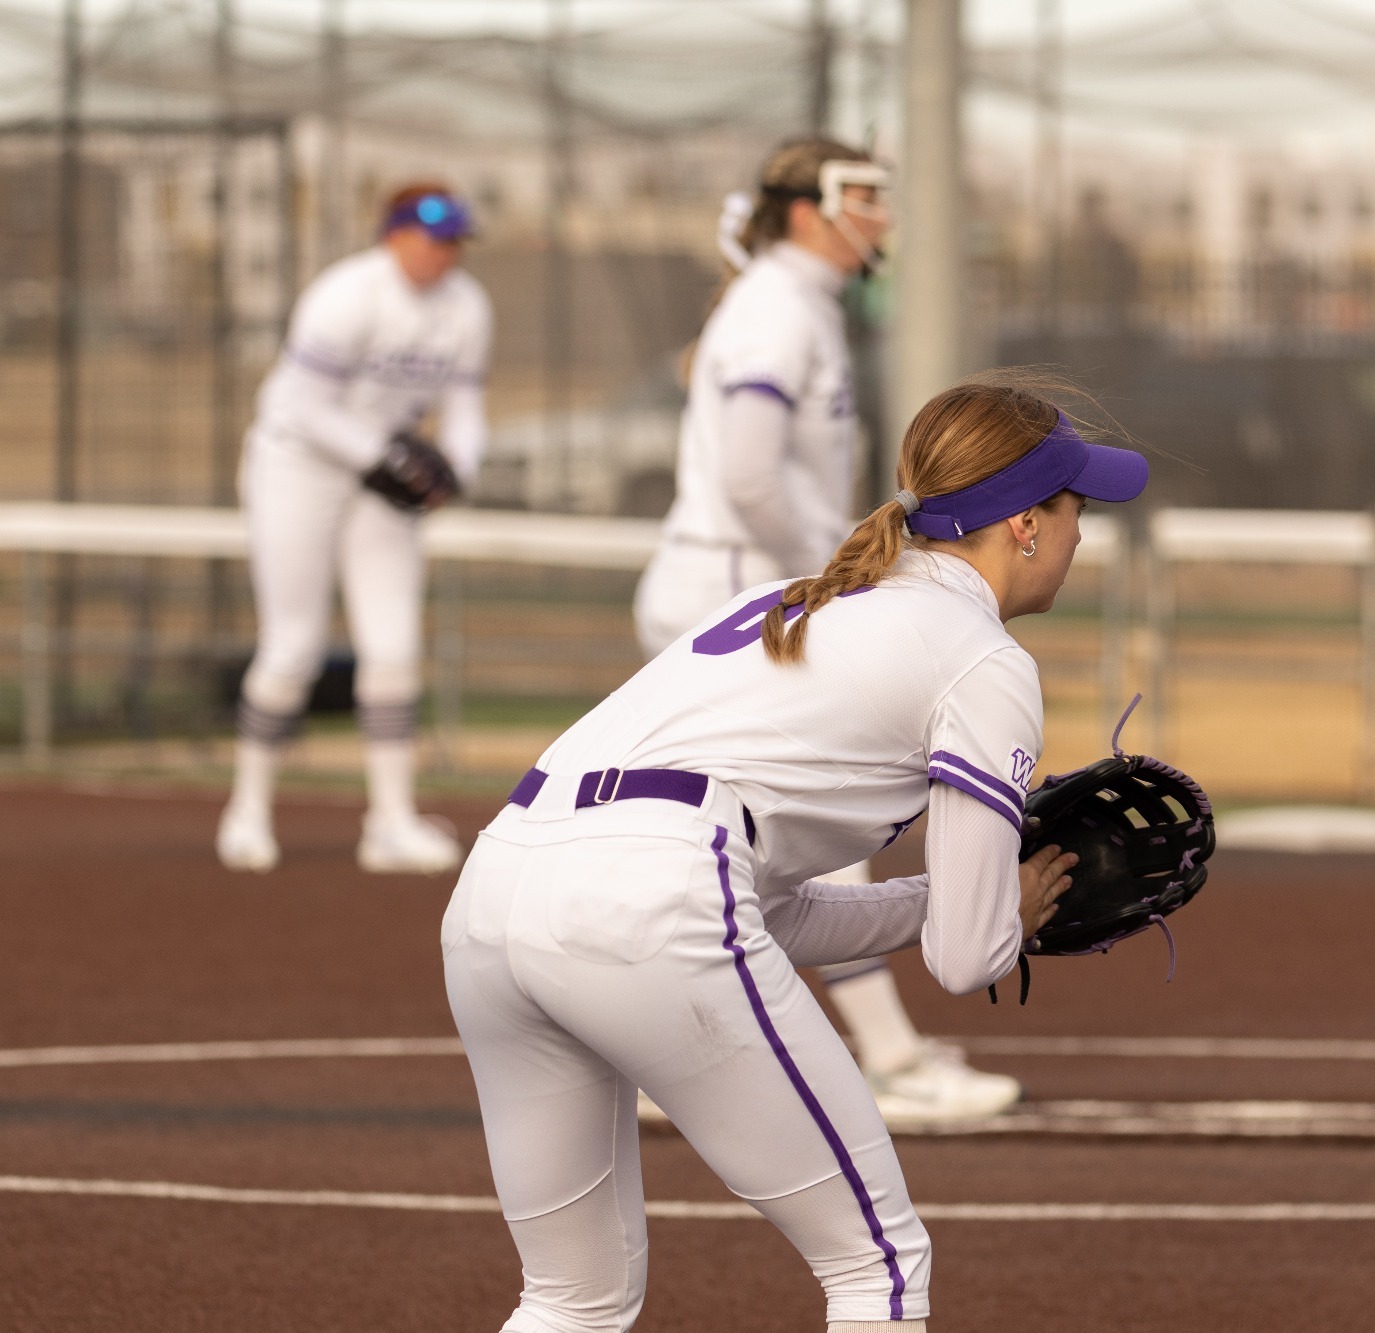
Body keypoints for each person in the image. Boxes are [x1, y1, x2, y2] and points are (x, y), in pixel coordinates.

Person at [445, 371, 1148, 1332]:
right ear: (1025, 522)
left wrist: (943, 902)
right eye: (1074, 510)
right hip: (650, 894)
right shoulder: (983, 658)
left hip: (498, 890)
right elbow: (966, 960)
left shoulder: (800, 598)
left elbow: (764, 913)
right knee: (881, 1270)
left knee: (572, 1295)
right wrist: (1008, 915)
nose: (1079, 535)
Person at [633, 137, 1016, 1127]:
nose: (882, 215)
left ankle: (652, 1058)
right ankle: (886, 1058)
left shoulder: (790, 301)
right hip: (736, 584)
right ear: (806, 208)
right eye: (863, 196)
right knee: (817, 824)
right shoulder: (772, 307)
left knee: (724, 845)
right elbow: (753, 475)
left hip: (736, 582)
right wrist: (838, 568)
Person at [217, 183, 491, 874]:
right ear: (393, 234)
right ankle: (247, 811)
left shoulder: (467, 308)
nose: (444, 252)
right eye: (432, 236)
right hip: (298, 464)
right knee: (293, 648)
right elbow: (304, 405)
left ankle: (391, 821)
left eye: (454, 239)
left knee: (394, 647)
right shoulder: (347, 294)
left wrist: (455, 469)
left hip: (378, 478)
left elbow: (464, 406)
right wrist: (389, 455)